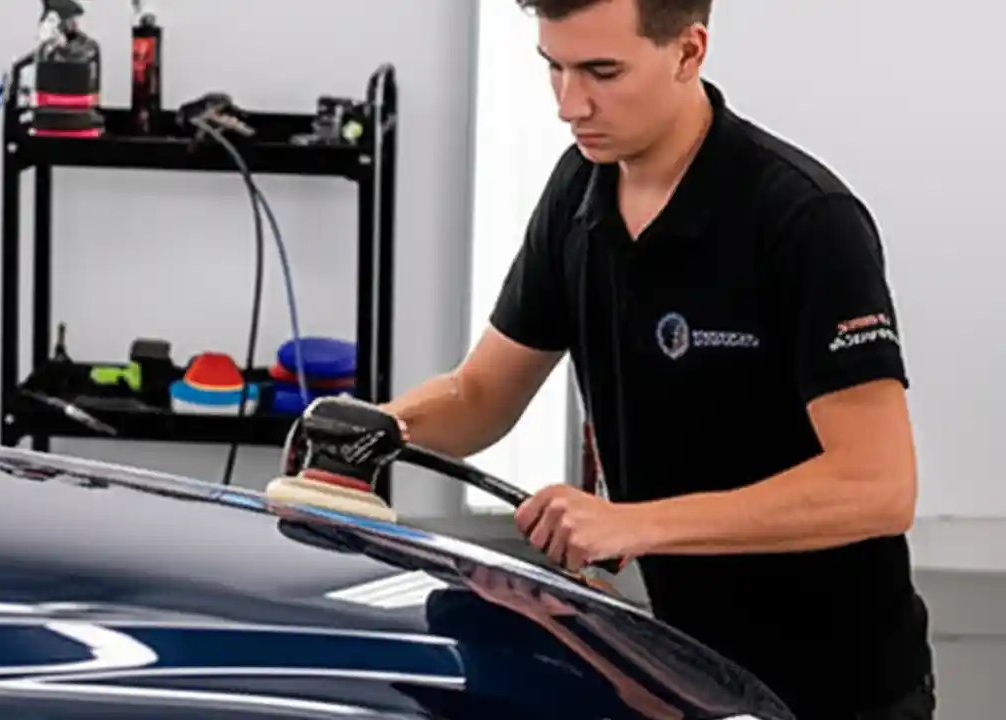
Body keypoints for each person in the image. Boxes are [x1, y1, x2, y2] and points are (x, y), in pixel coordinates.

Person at [380, 0, 936, 717]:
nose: (568, 105)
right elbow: (483, 394)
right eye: (555, 68)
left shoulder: (804, 220)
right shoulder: (578, 187)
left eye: (602, 72)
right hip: (683, 673)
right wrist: (379, 427)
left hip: (839, 687)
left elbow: (879, 488)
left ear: (688, 51)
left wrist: (635, 521)